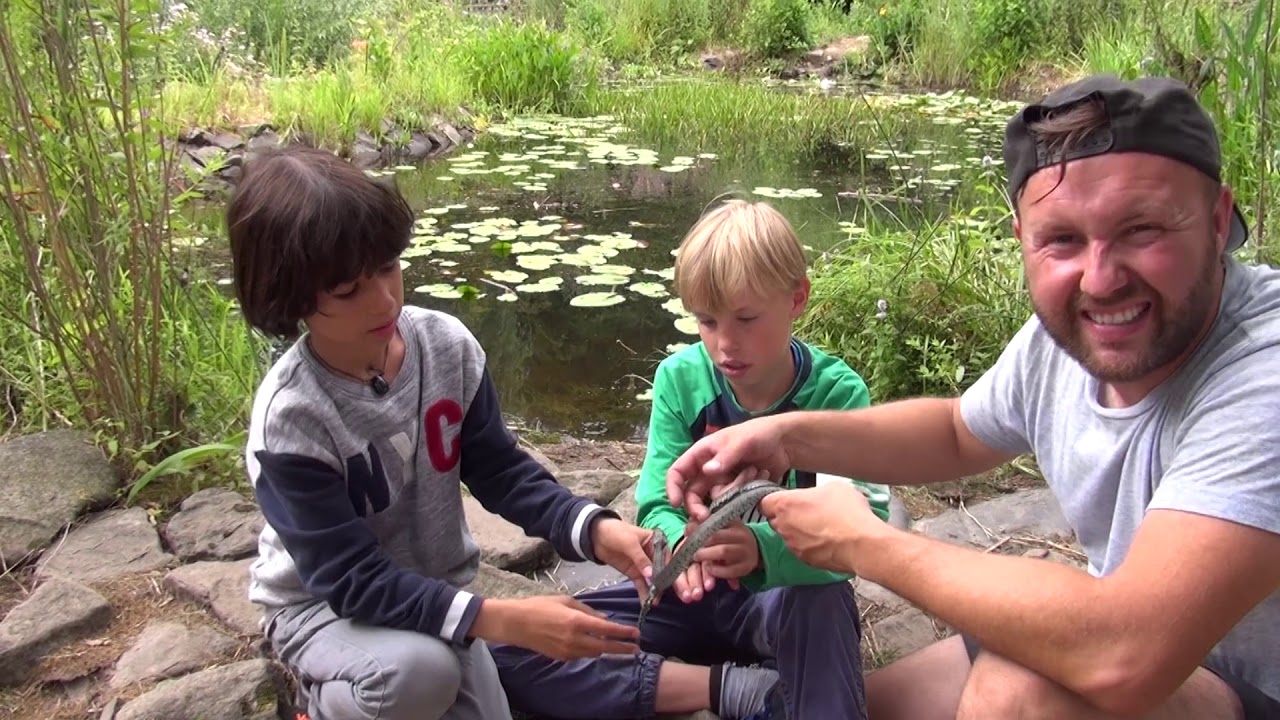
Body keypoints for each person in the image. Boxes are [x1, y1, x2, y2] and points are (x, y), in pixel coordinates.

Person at [665, 74, 1280, 720]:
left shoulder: (1262, 371)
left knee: (1015, 694)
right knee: (844, 707)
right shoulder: (1065, 337)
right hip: (1137, 656)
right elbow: (958, 432)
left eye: (1142, 229)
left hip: (1212, 677)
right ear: (1024, 239)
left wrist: (863, 544)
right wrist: (786, 437)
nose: (1100, 278)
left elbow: (1125, 651)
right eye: (1063, 240)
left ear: (1216, 220)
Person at [229, 144, 661, 720]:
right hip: (325, 611)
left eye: (386, 267)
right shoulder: (292, 419)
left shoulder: (447, 347)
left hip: (436, 592)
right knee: (417, 675)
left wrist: (595, 530)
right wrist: (501, 618)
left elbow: (501, 471)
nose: (383, 299)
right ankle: (319, 699)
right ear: (291, 298)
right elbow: (351, 579)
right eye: (348, 290)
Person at [490, 199, 890, 719]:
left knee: (825, 603)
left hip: (782, 598)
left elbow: (868, 523)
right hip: (687, 594)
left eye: (746, 318)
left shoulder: (836, 394)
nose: (726, 344)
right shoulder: (680, 379)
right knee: (511, 648)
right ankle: (735, 692)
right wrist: (675, 543)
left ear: (797, 298)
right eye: (706, 321)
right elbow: (657, 500)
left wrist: (762, 551)